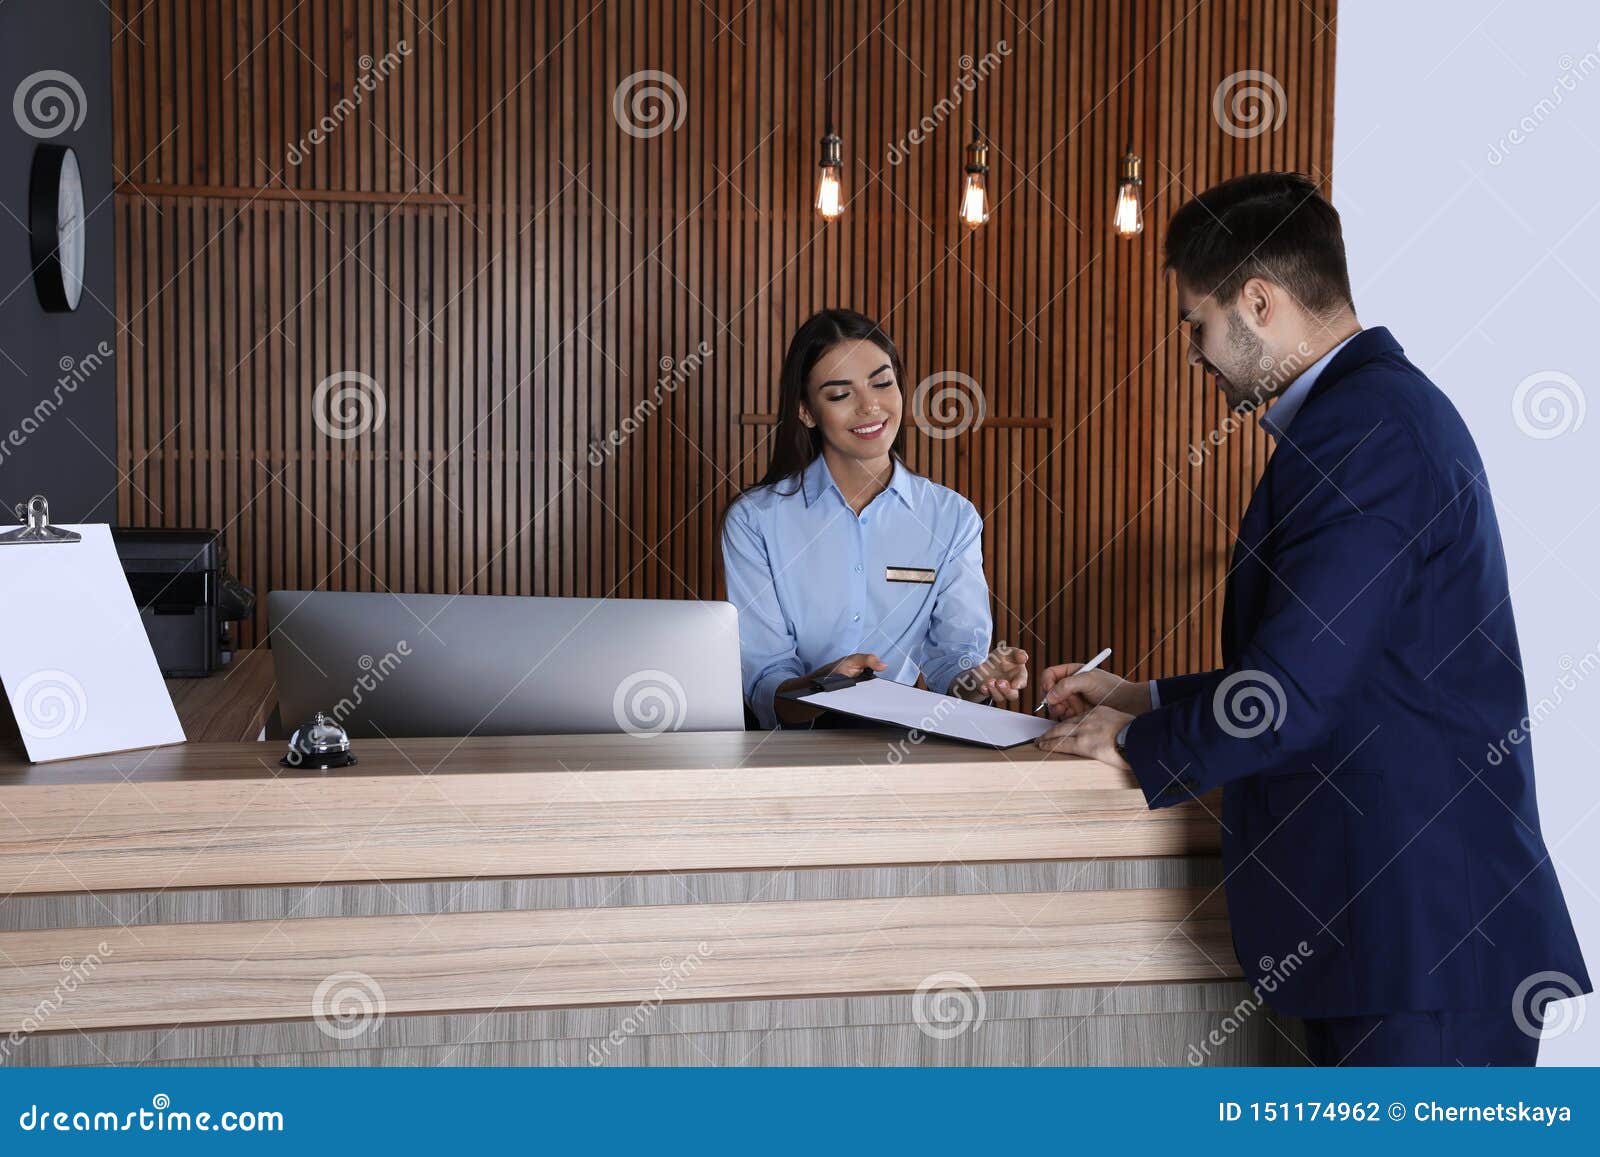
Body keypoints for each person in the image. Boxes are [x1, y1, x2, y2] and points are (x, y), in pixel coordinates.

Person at [1036, 172, 1590, 1066]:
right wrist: (1141, 697)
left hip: (1421, 941)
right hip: (1407, 940)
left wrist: (1138, 746)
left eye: (1198, 324)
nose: (1193, 353)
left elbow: (1293, 693)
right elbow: (1346, 666)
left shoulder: (1365, 431)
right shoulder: (1369, 413)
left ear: (1259, 301)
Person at [721, 308, 1026, 729]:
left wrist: (980, 680)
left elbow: (951, 665)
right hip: (789, 752)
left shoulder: (952, 517)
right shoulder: (755, 521)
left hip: (899, 747)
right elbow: (764, 683)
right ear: (807, 412)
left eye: (882, 383)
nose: (870, 406)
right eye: (839, 395)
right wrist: (820, 684)